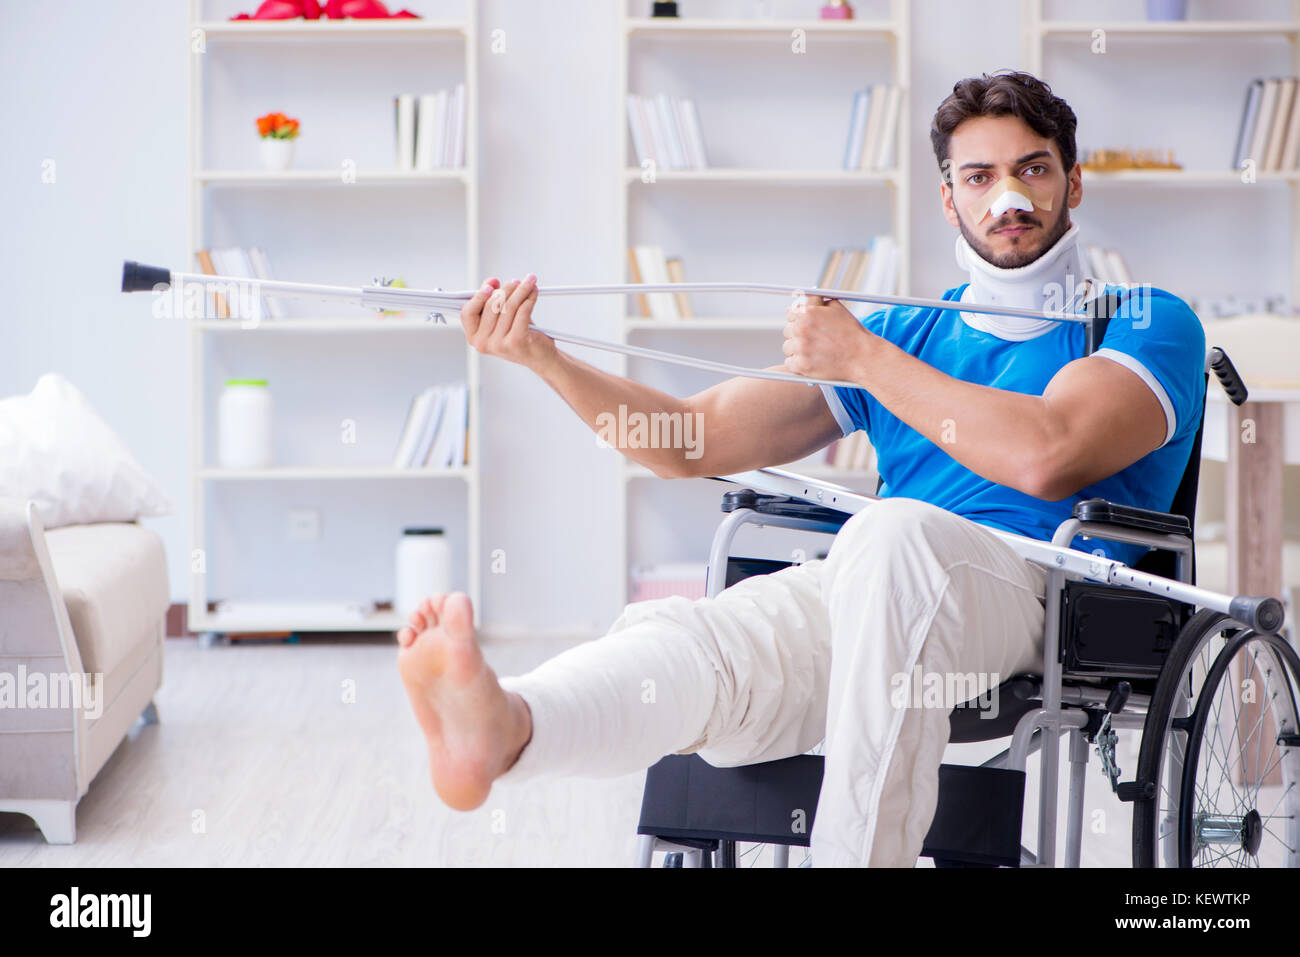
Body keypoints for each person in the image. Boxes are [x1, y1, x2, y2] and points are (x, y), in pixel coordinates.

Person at [394, 70, 1206, 866]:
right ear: (947, 197)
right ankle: (510, 724)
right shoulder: (913, 335)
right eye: (980, 175)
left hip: (1044, 596)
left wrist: (861, 354)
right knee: (711, 642)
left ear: (1073, 183)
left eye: (1033, 168)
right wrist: (545, 357)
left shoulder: (1143, 320)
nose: (1010, 197)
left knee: (892, 538)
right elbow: (688, 439)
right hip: (881, 587)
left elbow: (1048, 450)